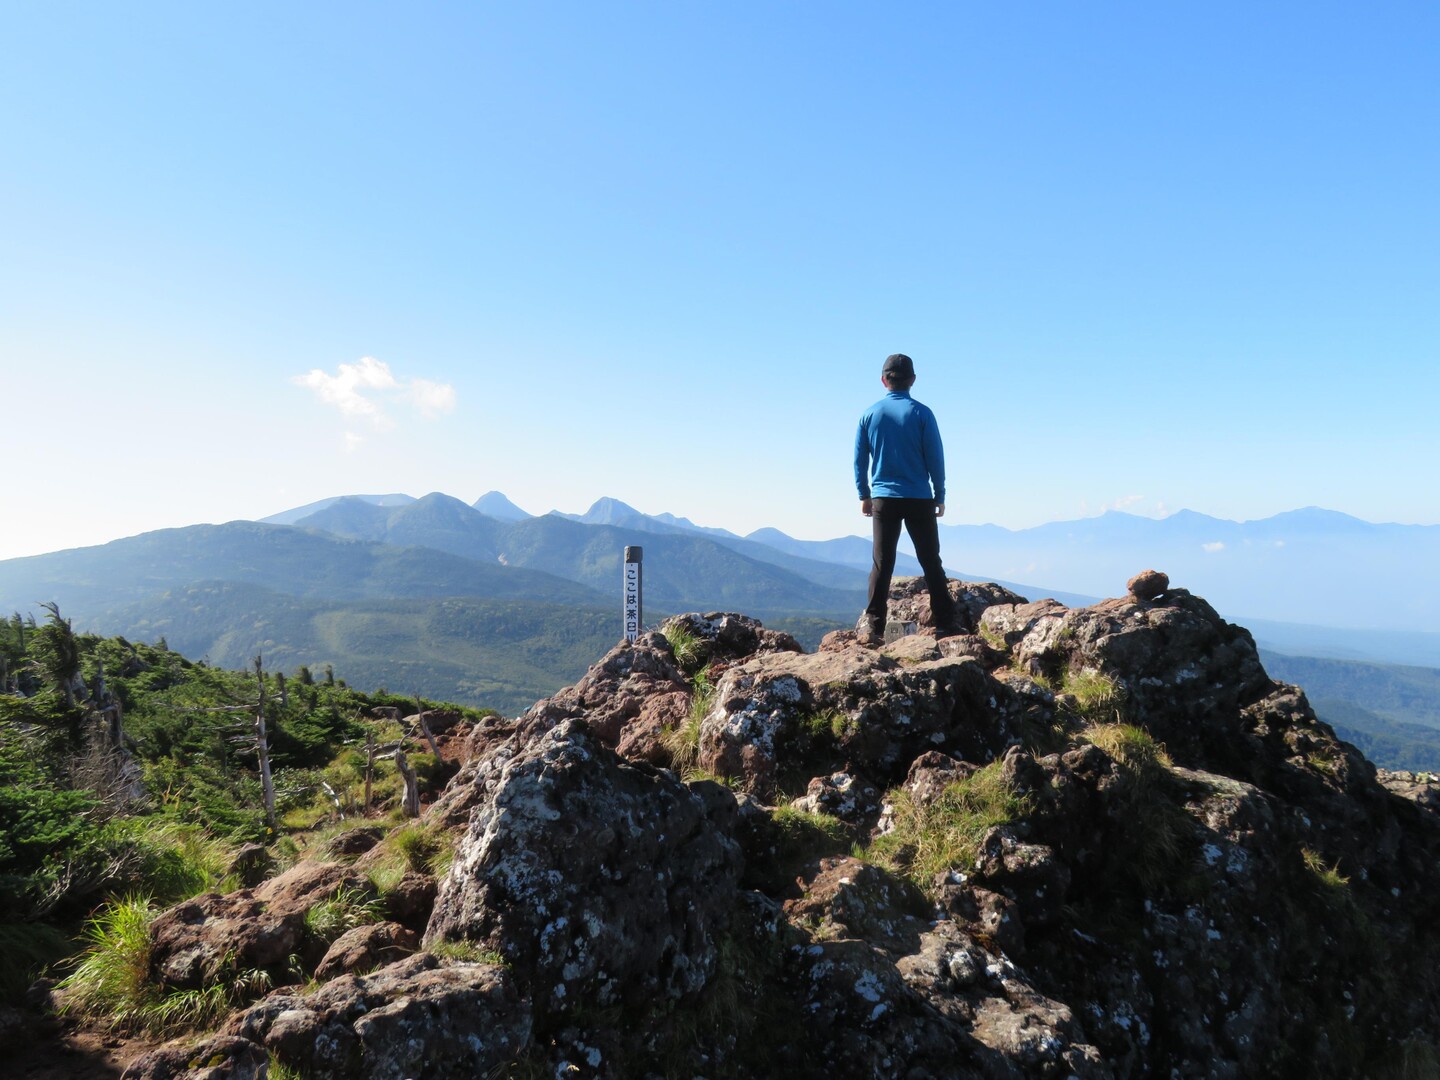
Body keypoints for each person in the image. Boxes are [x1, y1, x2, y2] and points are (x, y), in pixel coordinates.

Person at [853, 353, 961, 644]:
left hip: (883, 499)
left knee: (881, 563)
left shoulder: (870, 414)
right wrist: (940, 494)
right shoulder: (922, 413)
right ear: (912, 380)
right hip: (918, 498)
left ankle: (875, 627)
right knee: (930, 560)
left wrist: (864, 494)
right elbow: (935, 457)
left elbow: (859, 459)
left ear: (883, 380)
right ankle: (945, 625)